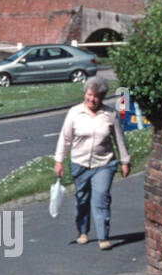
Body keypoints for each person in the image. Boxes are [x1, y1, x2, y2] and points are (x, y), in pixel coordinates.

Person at [53, 76, 131, 249]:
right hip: (79, 163)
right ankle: (83, 231)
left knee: (101, 198)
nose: (92, 99)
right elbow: (64, 138)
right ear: (85, 94)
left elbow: (119, 140)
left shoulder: (110, 114)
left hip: (104, 164)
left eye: (96, 96)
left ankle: (103, 237)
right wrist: (58, 161)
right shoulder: (74, 112)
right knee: (82, 198)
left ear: (102, 97)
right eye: (89, 95)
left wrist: (125, 161)